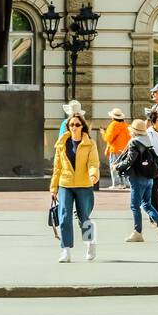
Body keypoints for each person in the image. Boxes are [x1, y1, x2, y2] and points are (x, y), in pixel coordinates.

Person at [49, 111, 100, 263]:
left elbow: (93, 163)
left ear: (82, 127)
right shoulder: (61, 144)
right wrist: (53, 188)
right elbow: (57, 167)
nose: (74, 127)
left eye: (77, 124)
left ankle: (90, 242)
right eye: (71, 125)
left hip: (84, 185)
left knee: (84, 218)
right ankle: (66, 250)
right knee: (64, 217)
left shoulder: (90, 143)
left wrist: (93, 175)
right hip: (65, 184)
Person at [115, 119, 158, 242]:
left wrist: (117, 166)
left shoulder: (134, 142)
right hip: (149, 177)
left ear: (134, 132)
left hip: (137, 177)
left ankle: (137, 232)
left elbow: (130, 160)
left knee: (135, 206)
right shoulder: (147, 141)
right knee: (147, 204)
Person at [102, 108, 131, 191]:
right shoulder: (126, 125)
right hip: (125, 149)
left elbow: (108, 138)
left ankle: (117, 183)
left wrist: (103, 133)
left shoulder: (113, 125)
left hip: (115, 149)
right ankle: (124, 183)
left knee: (114, 166)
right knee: (123, 166)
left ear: (112, 117)